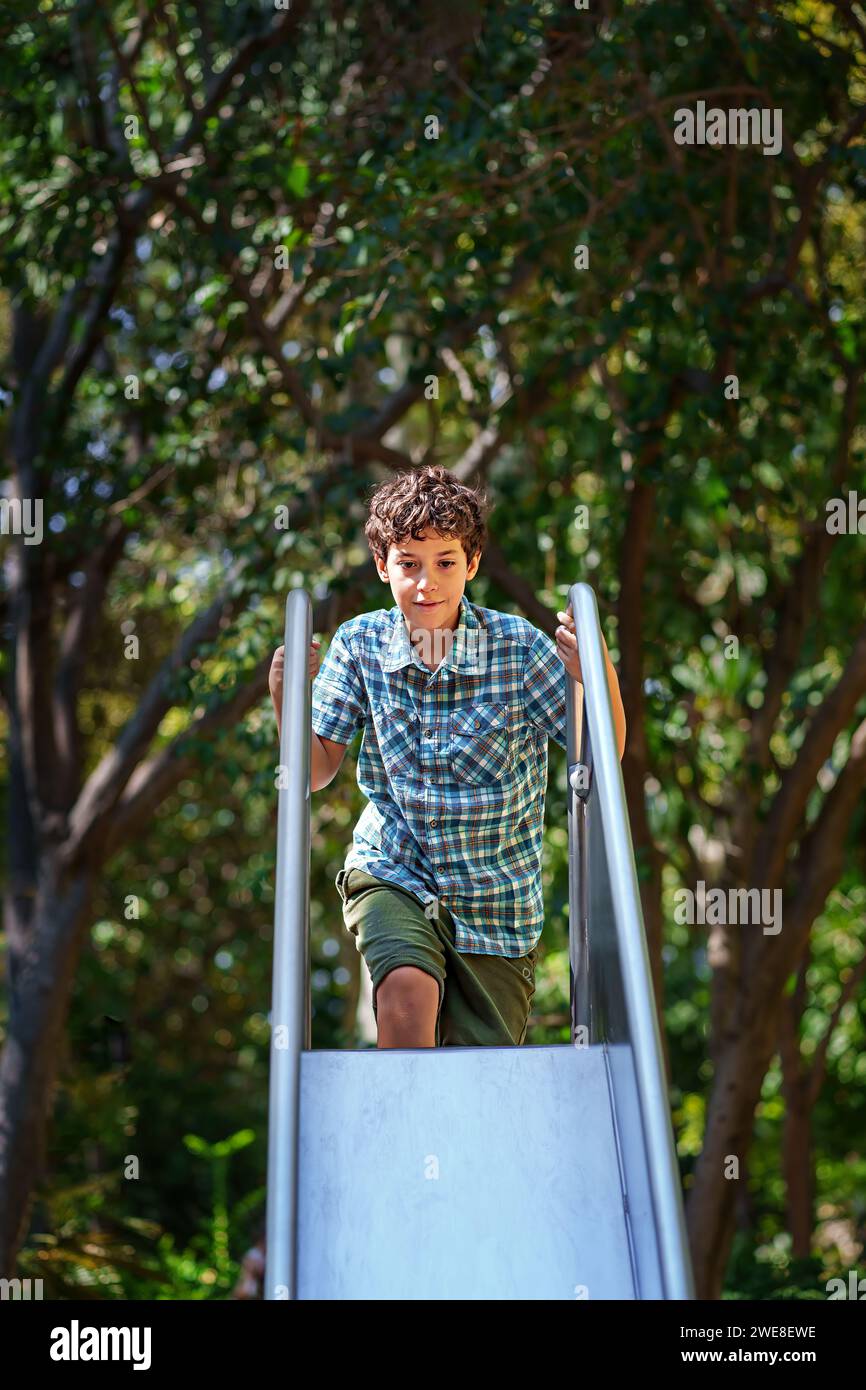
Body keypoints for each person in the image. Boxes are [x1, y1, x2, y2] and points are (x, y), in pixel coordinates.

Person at [268, 465, 626, 1049]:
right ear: (383, 566)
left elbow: (607, 753)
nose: (426, 583)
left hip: (496, 904)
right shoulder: (360, 646)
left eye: (445, 562)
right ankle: (400, 1140)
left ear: (473, 564)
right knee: (406, 1000)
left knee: (477, 1076)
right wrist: (288, 702)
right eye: (408, 563)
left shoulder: (516, 650)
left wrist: (597, 678)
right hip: (394, 870)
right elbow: (313, 769)